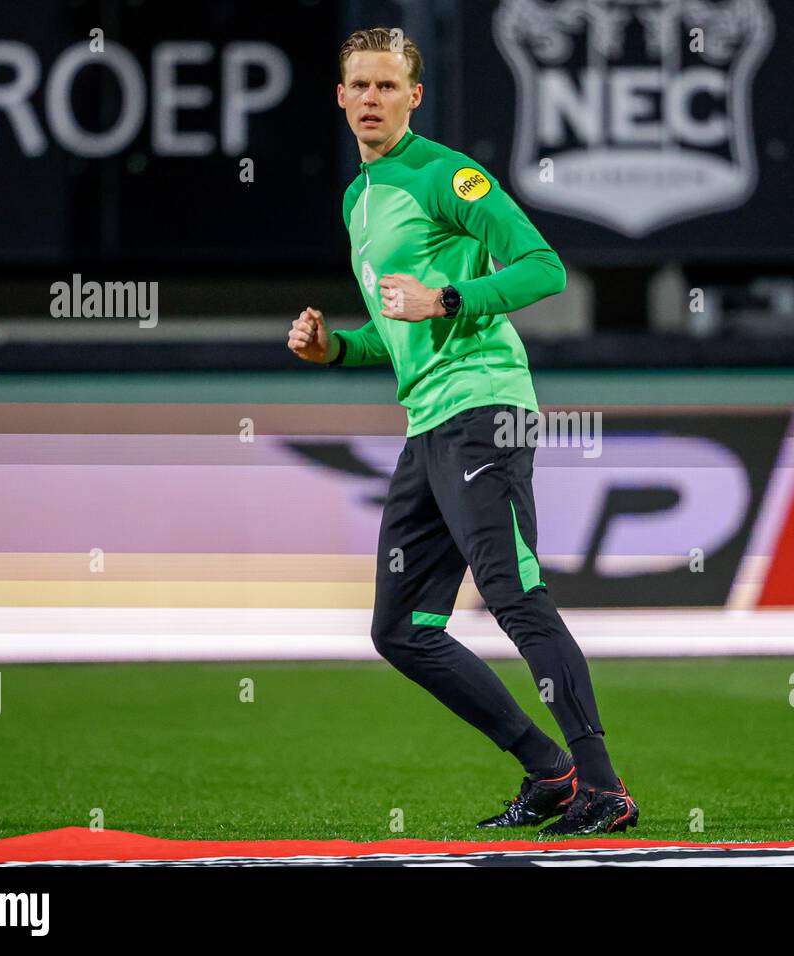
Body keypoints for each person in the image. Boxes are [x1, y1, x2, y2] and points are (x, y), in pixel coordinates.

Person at [287, 27, 637, 838]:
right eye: (359, 87)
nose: (372, 99)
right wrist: (334, 347)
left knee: (515, 595)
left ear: (414, 97)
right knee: (402, 630)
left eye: (387, 86)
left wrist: (449, 299)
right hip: (430, 421)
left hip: (485, 409)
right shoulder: (358, 200)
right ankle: (549, 770)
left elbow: (543, 267)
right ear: (340, 98)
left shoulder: (448, 175)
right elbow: (396, 335)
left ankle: (604, 788)